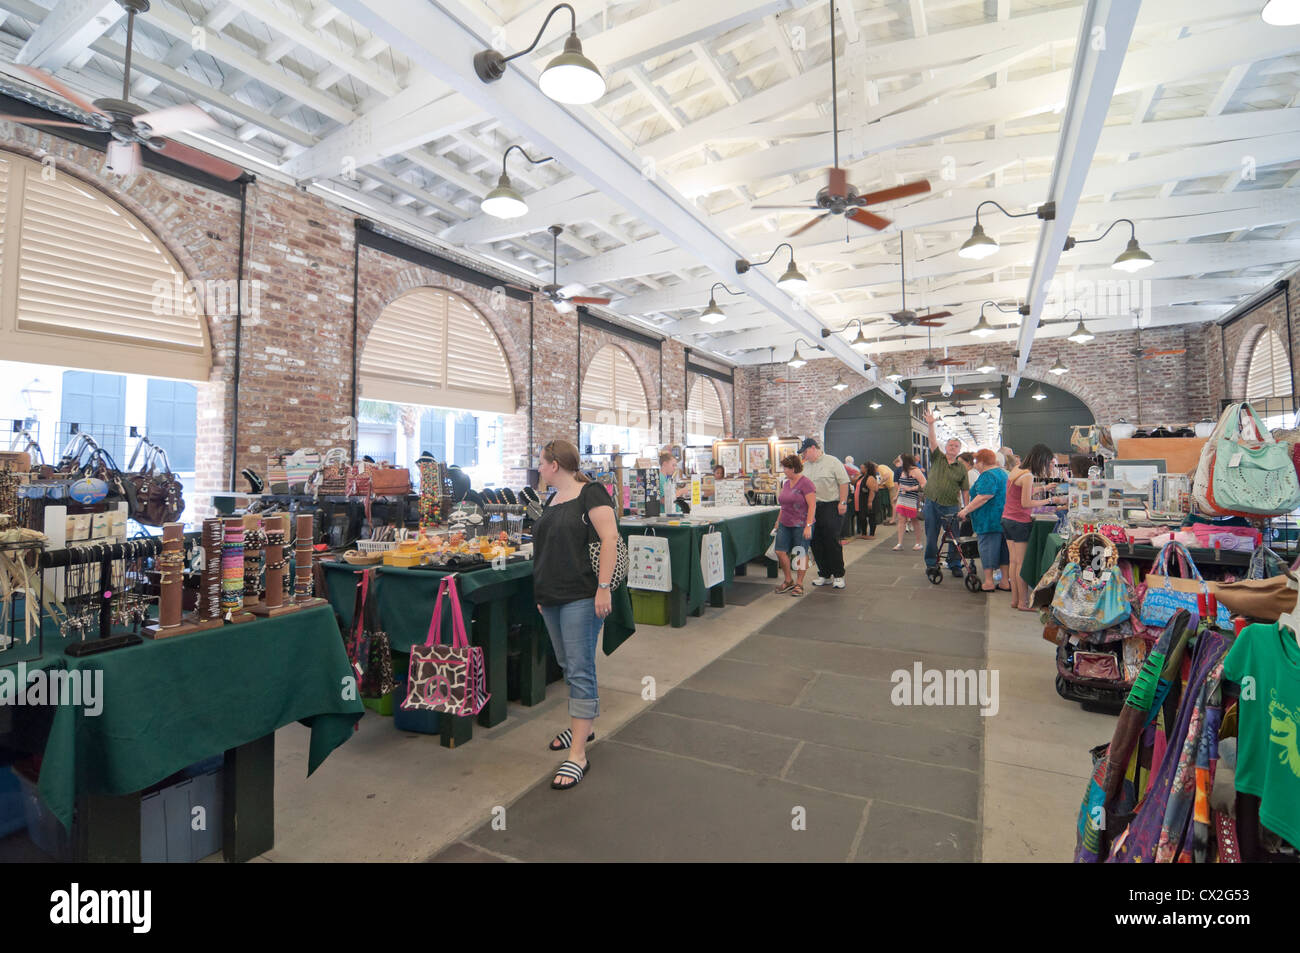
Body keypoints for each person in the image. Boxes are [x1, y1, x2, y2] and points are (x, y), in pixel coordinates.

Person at [532, 439, 620, 791]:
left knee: (581, 667)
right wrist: (542, 594)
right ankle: (584, 722)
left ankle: (578, 754)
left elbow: (610, 538)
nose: (538, 468)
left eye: (541, 462)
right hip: (551, 595)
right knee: (567, 664)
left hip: (581, 595)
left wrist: (603, 586)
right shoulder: (552, 500)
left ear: (554, 464)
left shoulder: (591, 493)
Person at [1003, 443, 1068, 612]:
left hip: (1008, 520)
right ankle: (1023, 602)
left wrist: (1043, 489)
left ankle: (1016, 600)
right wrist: (1052, 500)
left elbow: (1019, 493)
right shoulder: (1028, 476)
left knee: (1013, 562)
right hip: (1019, 522)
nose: (1047, 467)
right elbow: (1026, 503)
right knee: (1021, 564)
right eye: (1048, 463)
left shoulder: (1017, 470)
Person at [923, 410, 970, 577]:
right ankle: (931, 563)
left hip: (951, 505)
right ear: (946, 447)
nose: (952, 447)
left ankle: (955, 563)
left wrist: (966, 509)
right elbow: (932, 441)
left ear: (959, 449)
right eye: (950, 445)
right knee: (931, 535)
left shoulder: (961, 468)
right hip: (931, 502)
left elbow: (965, 490)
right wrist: (930, 424)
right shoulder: (938, 458)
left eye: (956, 446)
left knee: (953, 536)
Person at [799, 437, 850, 588]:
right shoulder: (805, 466)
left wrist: (842, 502)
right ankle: (824, 574)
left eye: (805, 452)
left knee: (831, 540)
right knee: (815, 541)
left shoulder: (833, 462)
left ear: (813, 448)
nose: (804, 455)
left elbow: (843, 482)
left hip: (830, 506)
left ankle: (839, 575)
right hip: (811, 508)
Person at [959, 449, 1010, 593]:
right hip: (1003, 519)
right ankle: (1005, 581)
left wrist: (965, 510)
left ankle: (988, 582)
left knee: (987, 550)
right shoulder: (1003, 473)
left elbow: (984, 496)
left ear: (982, 462)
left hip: (988, 520)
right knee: (1003, 550)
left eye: (976, 462)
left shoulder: (987, 475)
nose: (975, 465)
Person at [773, 453, 817, 596]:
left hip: (801, 523)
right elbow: (784, 505)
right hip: (785, 522)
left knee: (800, 552)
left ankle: (799, 583)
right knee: (780, 551)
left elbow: (812, 506)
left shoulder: (806, 483)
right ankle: (788, 580)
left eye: (786, 468)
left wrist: (808, 525)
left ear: (793, 468)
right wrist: (778, 521)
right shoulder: (786, 483)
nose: (784, 470)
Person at [893, 454, 926, 551]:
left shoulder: (916, 470)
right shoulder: (903, 471)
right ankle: (899, 543)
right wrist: (896, 496)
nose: (898, 462)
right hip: (902, 499)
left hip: (913, 499)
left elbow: (924, 484)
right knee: (901, 520)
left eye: (900, 460)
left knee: (914, 520)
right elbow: (901, 484)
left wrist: (910, 488)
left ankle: (919, 543)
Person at [840, 455, 861, 543]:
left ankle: (844, 534)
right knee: (846, 515)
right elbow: (857, 473)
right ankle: (846, 534)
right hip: (847, 490)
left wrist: (849, 480)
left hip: (845, 490)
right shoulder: (847, 467)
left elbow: (857, 473)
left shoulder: (843, 466)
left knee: (845, 515)